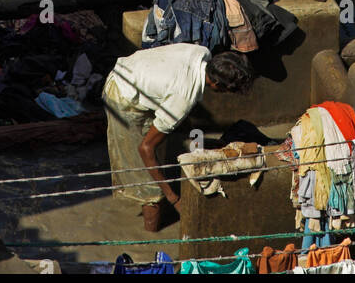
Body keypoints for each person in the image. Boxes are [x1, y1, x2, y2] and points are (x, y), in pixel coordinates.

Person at [102, 45, 254, 232]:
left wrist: (196, 141)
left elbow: (183, 106)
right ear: (216, 85)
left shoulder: (202, 53)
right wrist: (174, 199)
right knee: (149, 183)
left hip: (135, 70)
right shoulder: (183, 97)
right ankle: (150, 237)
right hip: (122, 92)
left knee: (160, 149)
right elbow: (145, 148)